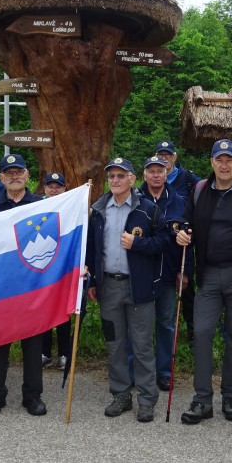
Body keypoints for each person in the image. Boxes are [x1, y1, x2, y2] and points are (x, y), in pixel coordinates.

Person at [175, 138, 232, 425]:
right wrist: (181, 235)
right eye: (219, 159)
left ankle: (231, 396)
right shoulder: (200, 190)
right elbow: (184, 224)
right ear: (212, 162)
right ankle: (202, 399)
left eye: (229, 159)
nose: (224, 164)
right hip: (208, 274)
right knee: (201, 332)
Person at [87, 158, 171, 422]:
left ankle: (146, 400)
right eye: (111, 176)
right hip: (109, 286)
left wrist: (138, 243)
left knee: (143, 345)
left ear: (133, 179)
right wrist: (92, 281)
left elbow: (163, 243)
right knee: (115, 343)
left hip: (140, 288)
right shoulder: (99, 210)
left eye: (120, 176)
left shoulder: (147, 209)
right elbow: (92, 249)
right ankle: (121, 394)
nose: (115, 181)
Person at [0, 154, 46, 417]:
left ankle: (32, 395)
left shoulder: (40, 206)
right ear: (2, 177)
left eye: (19, 172)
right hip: (0, 288)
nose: (14, 176)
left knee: (33, 345)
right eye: (9, 173)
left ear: (27, 175)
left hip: (31, 286)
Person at [136, 155, 186, 391]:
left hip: (168, 272)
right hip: (141, 274)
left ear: (168, 173)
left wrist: (185, 272)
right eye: (151, 171)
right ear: (144, 175)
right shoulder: (134, 200)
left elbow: (189, 242)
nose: (156, 175)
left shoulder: (179, 202)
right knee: (139, 326)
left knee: (166, 324)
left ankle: (165, 371)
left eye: (160, 170)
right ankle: (138, 370)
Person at [155, 140, 200, 340]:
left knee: (187, 287)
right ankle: (162, 332)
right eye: (161, 154)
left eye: (168, 154)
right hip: (160, 243)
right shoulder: (153, 179)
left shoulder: (189, 179)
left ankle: (192, 331)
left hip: (184, 240)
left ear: (175, 157)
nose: (164, 158)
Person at [40, 171, 70, 369]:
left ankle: (64, 354)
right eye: (50, 186)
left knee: (64, 312)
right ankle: (44, 352)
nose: (54, 189)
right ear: (44, 188)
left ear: (64, 189)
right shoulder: (37, 207)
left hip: (64, 267)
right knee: (43, 311)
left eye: (58, 186)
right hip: (42, 266)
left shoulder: (71, 208)